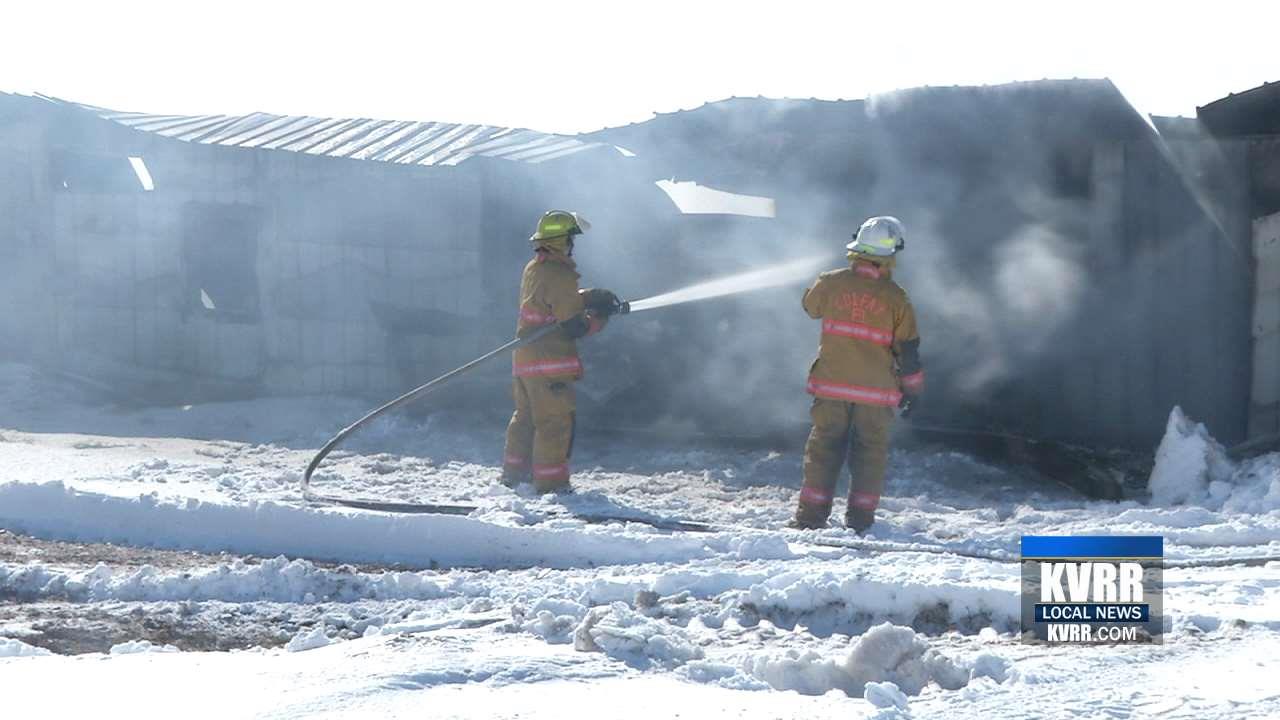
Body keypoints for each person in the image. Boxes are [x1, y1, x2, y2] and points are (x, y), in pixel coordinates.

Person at [790, 216, 924, 533]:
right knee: (870, 456)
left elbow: (810, 307)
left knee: (823, 451)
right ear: (893, 252)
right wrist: (913, 391)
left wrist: (818, 284)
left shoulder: (830, 282)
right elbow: (908, 351)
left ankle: (810, 518)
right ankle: (861, 521)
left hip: (831, 387)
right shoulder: (897, 298)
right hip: (875, 395)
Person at [502, 210, 621, 493]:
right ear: (564, 241)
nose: (572, 246)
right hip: (549, 364)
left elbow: (551, 301)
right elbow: (574, 326)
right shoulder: (560, 273)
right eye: (571, 240)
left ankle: (515, 475)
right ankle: (551, 484)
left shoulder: (535, 267)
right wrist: (599, 319)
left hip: (526, 359)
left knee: (525, 419)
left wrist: (589, 296)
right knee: (553, 423)